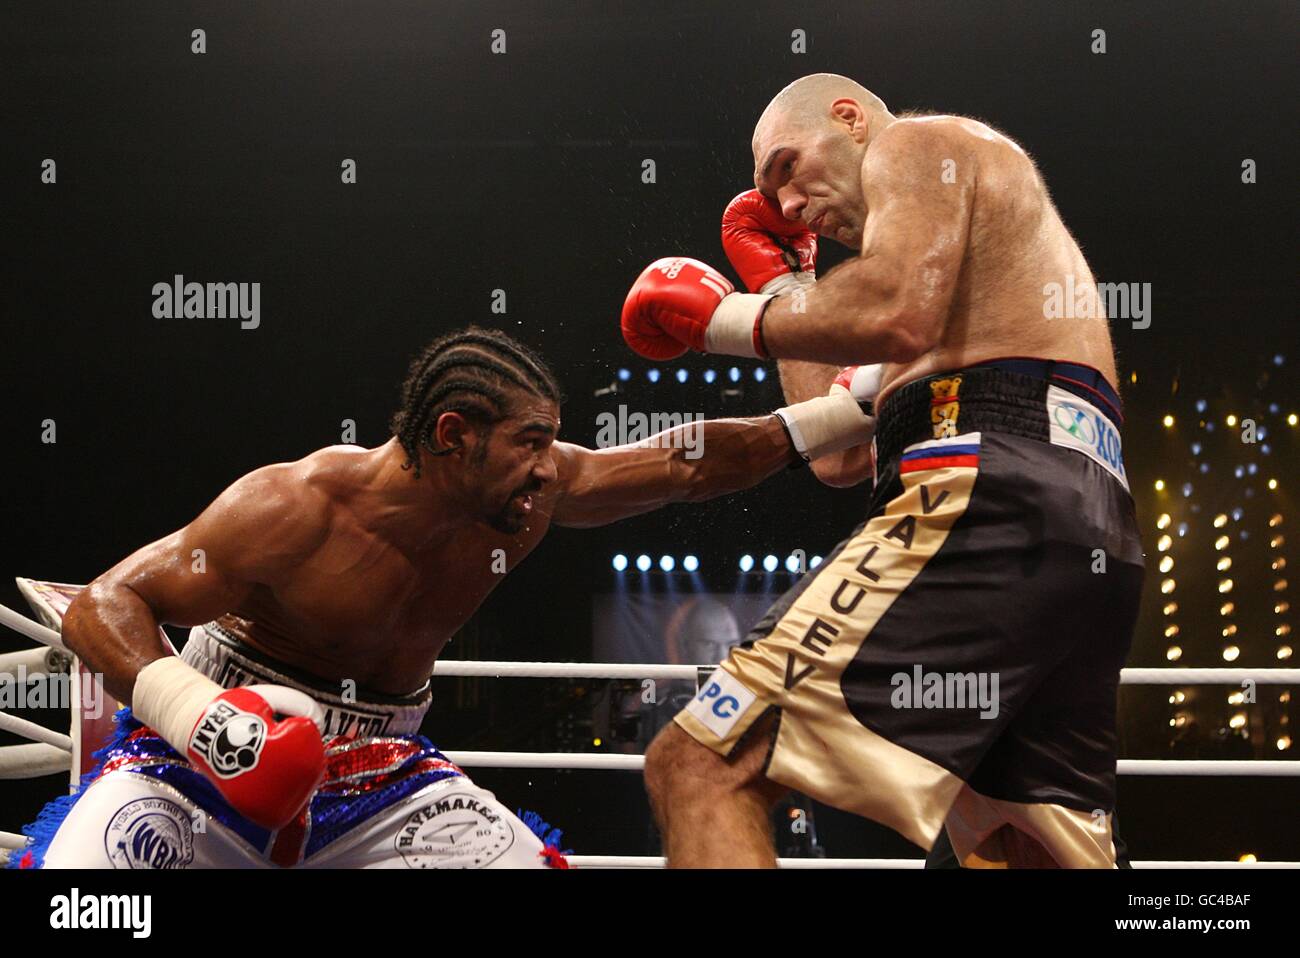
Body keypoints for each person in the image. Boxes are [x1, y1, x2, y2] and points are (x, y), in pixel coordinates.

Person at [21, 325, 875, 869]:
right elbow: (104, 603)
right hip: (200, 758)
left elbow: (683, 467)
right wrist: (205, 720)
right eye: (530, 442)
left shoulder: (530, 498)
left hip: (382, 775)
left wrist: (848, 411)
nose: (552, 465)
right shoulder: (297, 505)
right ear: (452, 436)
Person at [626, 73, 1144, 867]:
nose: (789, 205)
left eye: (787, 169)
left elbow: (895, 309)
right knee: (1020, 848)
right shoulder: (957, 288)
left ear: (850, 118)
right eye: (772, 195)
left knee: (699, 765)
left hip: (986, 491)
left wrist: (723, 317)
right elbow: (837, 456)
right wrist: (780, 279)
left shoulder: (920, 144)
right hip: (1073, 526)